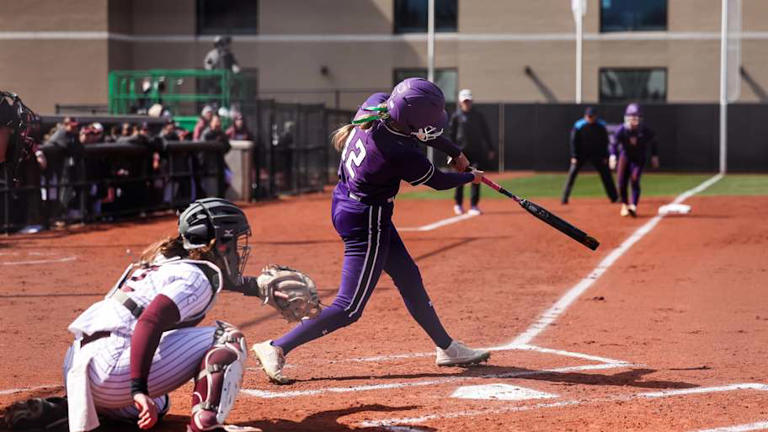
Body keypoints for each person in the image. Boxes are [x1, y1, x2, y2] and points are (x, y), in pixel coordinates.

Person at [251, 78, 490, 385]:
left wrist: (454, 151)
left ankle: (446, 347)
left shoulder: (376, 104)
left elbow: (424, 132)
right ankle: (277, 347)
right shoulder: (397, 151)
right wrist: (471, 177)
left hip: (347, 201)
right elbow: (438, 181)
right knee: (348, 307)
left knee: (408, 276)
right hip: (367, 220)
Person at [2, 199, 269, 432]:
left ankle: (63, 412)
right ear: (219, 242)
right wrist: (138, 390)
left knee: (160, 405)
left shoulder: (165, 262)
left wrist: (253, 286)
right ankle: (207, 422)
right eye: (233, 241)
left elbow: (161, 313)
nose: (237, 249)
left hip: (78, 367)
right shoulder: (197, 277)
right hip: (115, 369)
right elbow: (150, 321)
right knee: (228, 338)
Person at [447, 89, 495, 215]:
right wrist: (450, 151)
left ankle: (474, 205)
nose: (467, 103)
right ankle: (458, 204)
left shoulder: (478, 116)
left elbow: (486, 133)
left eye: (468, 101)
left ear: (471, 101)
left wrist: (490, 148)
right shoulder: (456, 116)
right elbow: (451, 135)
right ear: (460, 102)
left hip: (477, 152)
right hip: (461, 153)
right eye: (464, 101)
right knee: (460, 178)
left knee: (476, 177)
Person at [560, 107, 618, 205]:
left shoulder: (601, 125)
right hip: (581, 155)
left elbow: (605, 141)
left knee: (606, 175)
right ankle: (564, 198)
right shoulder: (579, 125)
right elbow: (574, 141)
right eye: (588, 116)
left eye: (592, 116)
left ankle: (614, 198)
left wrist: (605, 156)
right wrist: (574, 156)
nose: (590, 118)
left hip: (597, 155)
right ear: (585, 116)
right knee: (572, 175)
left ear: (595, 116)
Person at [610, 103, 659, 217]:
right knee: (621, 182)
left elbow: (654, 141)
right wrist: (613, 156)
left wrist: (654, 156)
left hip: (639, 158)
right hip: (625, 156)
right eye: (631, 117)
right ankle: (625, 204)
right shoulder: (621, 130)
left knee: (635, 179)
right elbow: (613, 144)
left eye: (636, 117)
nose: (634, 120)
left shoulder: (645, 130)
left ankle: (634, 205)